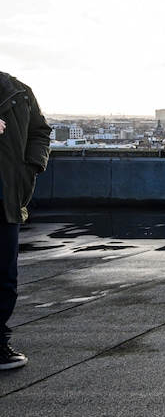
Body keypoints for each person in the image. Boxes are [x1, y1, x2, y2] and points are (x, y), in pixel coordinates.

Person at [0, 71, 52, 371]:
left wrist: (30, 167)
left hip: (6, 200)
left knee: (5, 278)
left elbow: (40, 132)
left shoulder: (18, 91)